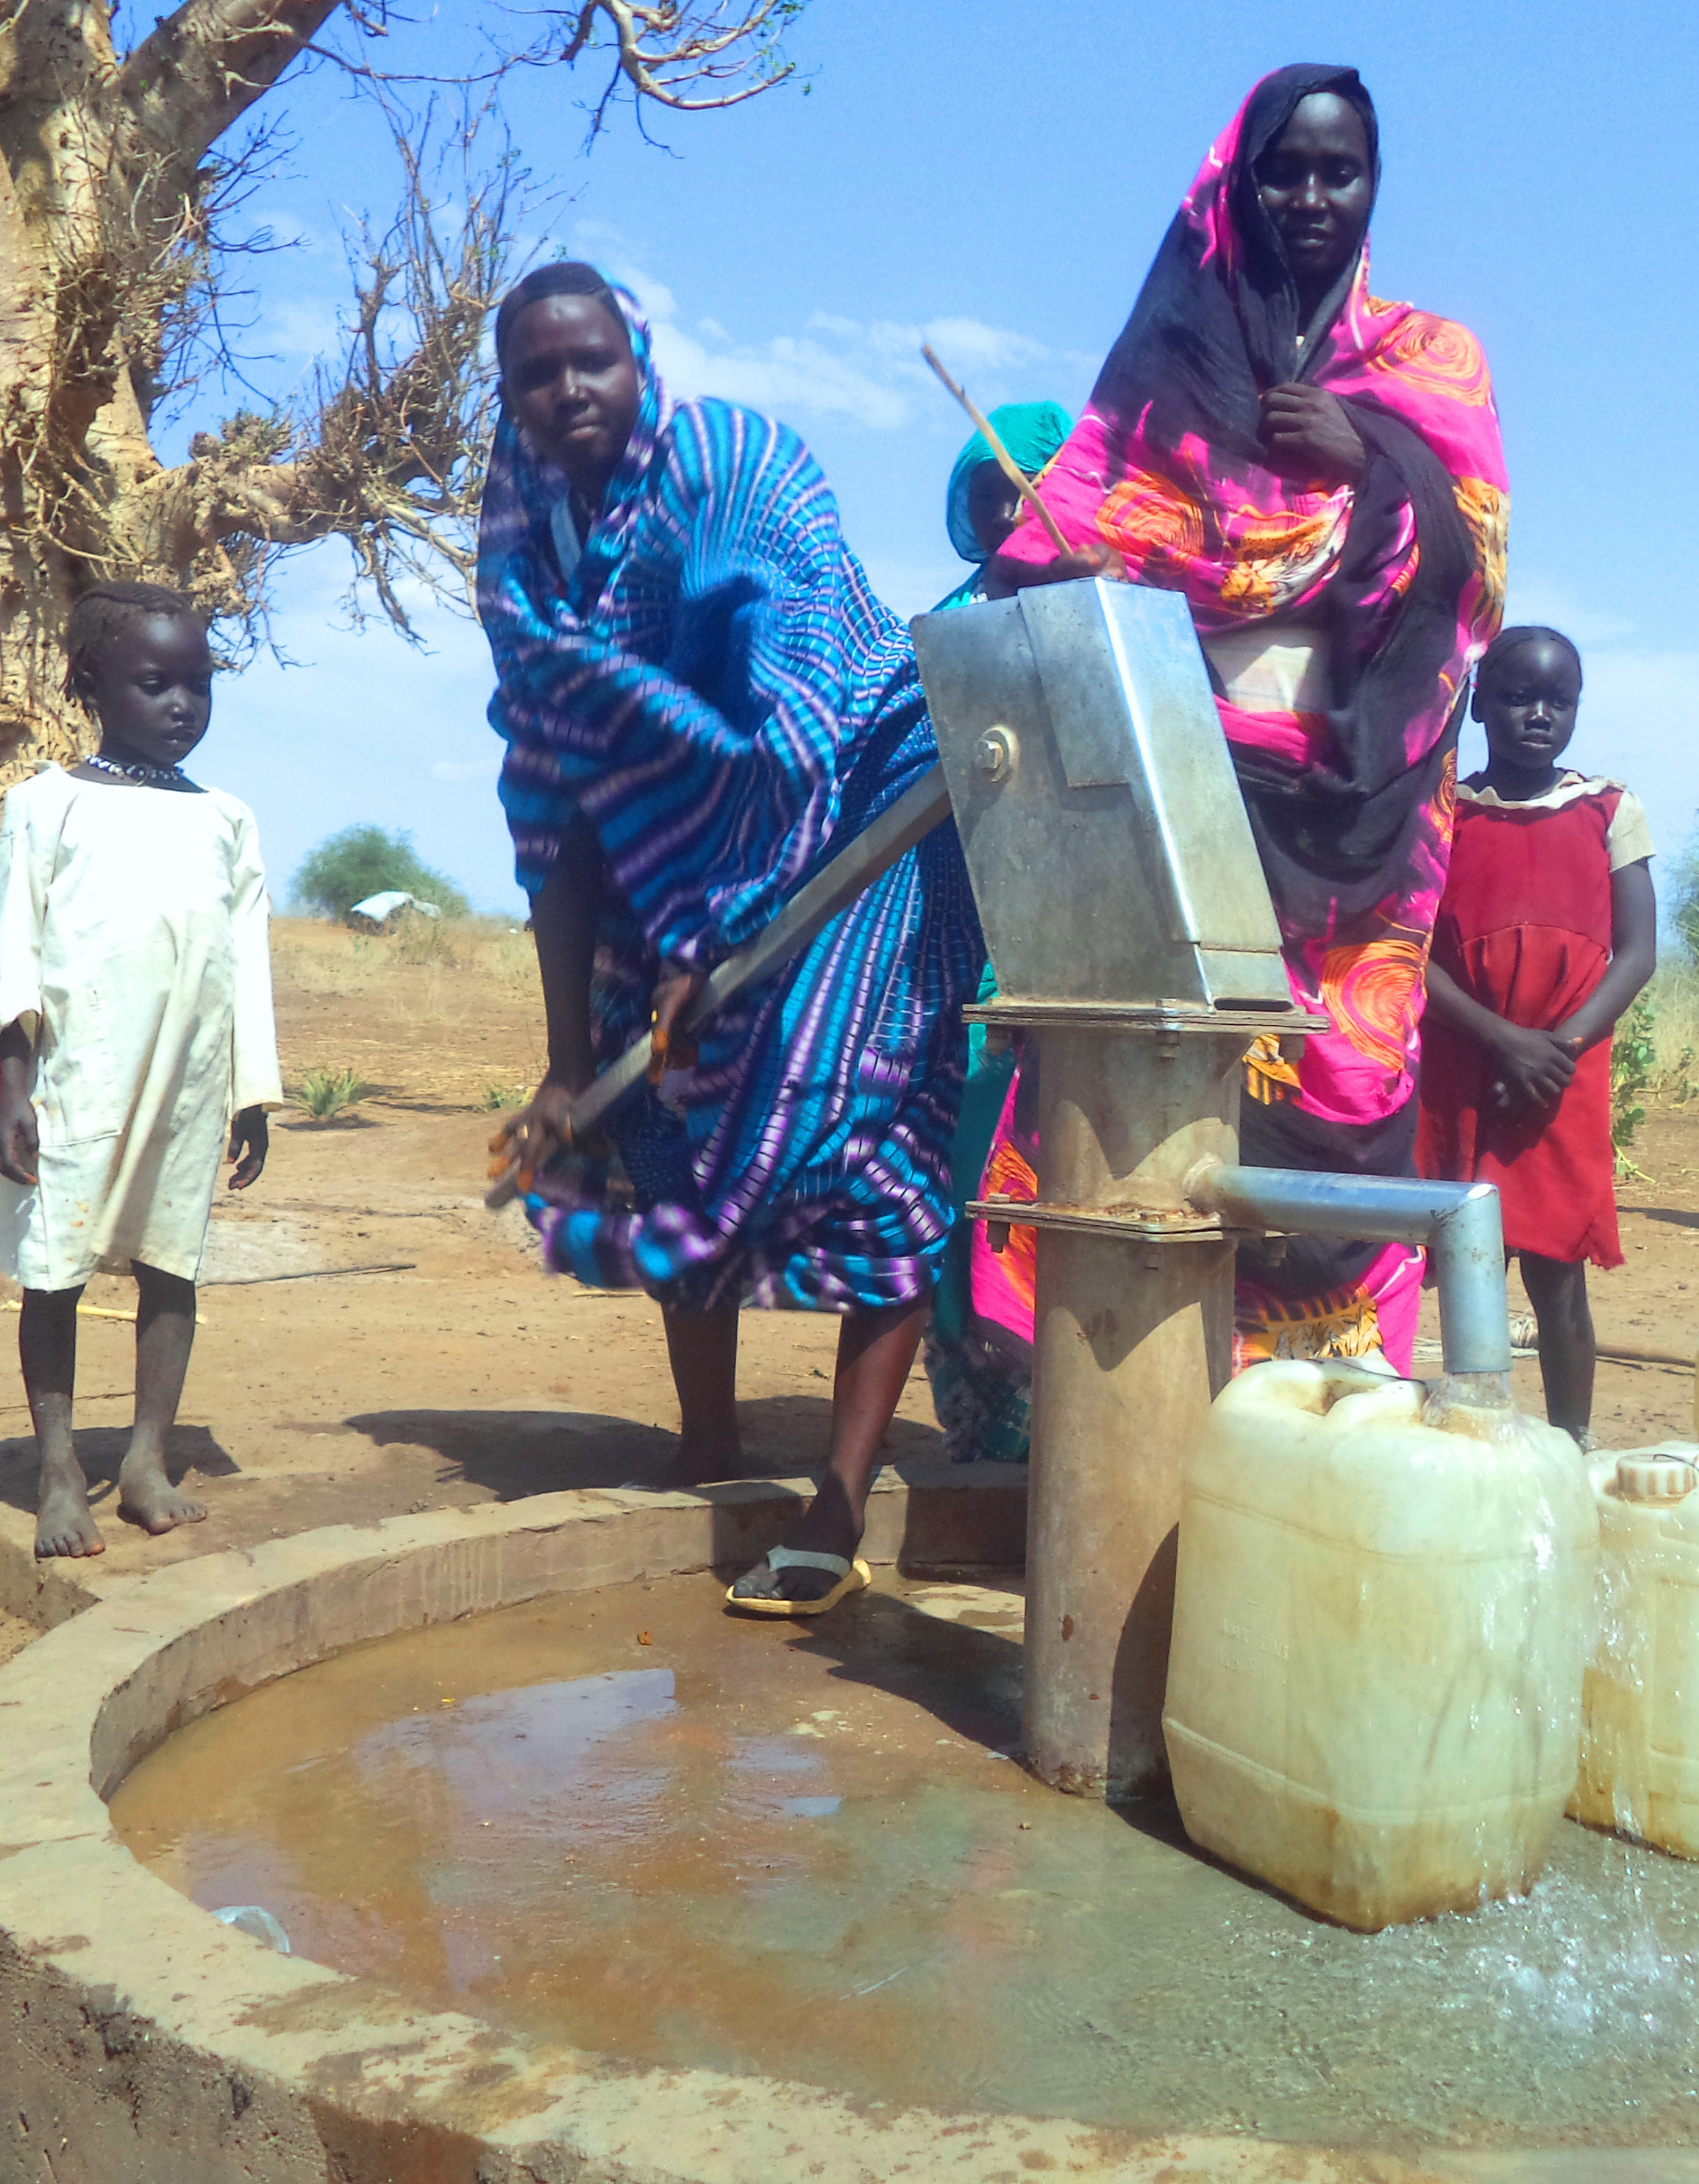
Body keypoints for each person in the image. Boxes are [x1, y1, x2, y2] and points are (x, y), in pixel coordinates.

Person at [975, 64, 1507, 1380]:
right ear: (1235, 185)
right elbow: (1038, 554)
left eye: (1343, 170)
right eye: (1287, 169)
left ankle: (1328, 1409)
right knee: (1165, 1100)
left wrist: (1366, 461)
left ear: (1376, 188)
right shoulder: (1162, 375)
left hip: (1361, 818)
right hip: (1183, 797)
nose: (1314, 195)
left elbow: (1481, 569)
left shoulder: (1429, 361)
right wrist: (1077, 568)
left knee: (1342, 1087)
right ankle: (1150, 1414)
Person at [479, 264, 981, 1612]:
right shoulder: (526, 563)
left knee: (874, 1153)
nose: (570, 391)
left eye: (594, 362)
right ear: (511, 398)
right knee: (664, 1133)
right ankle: (708, 1454)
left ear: (640, 362)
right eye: (538, 373)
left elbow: (796, 714)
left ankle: (835, 1506)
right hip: (674, 849)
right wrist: (564, 1055)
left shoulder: (729, 470)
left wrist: (726, 928)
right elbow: (558, 809)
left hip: (859, 807)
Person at [0, 581, 281, 1557]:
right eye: (156, 683)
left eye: (199, 686)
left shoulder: (228, 820)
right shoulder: (43, 806)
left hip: (188, 1086)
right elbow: (13, 953)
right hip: (77, 1082)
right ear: (91, 684)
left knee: (172, 1267)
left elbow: (246, 961)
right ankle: (60, 1469)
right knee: (55, 1272)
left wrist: (251, 1093)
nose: (182, 705)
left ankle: (147, 1457)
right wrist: (11, 1088)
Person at [1417, 627, 1655, 1444]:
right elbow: (1410, 955)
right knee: (1469, 1270)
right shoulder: (1443, 813)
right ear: (1481, 703)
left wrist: (1552, 1050)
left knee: (1559, 1279)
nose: (1540, 715)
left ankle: (1572, 1444)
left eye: (1560, 700)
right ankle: (1475, 1443)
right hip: (1463, 1063)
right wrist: (1502, 1040)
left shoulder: (1611, 810)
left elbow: (1637, 953)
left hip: (1566, 1074)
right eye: (1519, 696)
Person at [920, 402, 1069, 1461]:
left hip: (1076, 952)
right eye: (992, 488)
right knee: (956, 1175)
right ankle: (980, 1432)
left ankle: (1068, 1440)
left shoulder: (1110, 615)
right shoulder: (945, 628)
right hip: (953, 947)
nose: (1012, 506)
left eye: (1035, 484)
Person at [931, 401, 1073, 611]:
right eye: (986, 496)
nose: (1005, 516)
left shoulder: (1113, 591)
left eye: (1026, 491)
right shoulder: (945, 623)